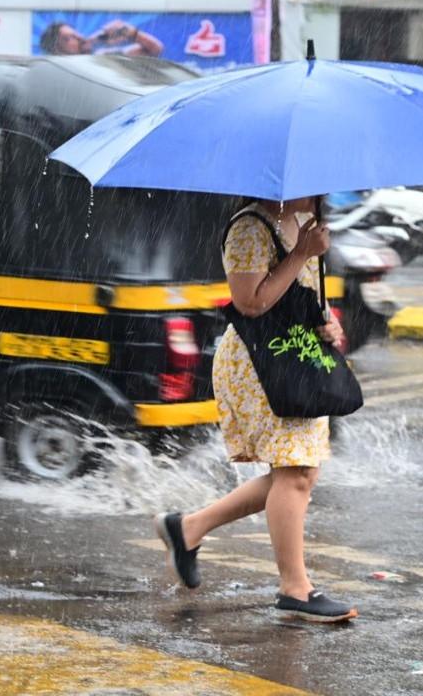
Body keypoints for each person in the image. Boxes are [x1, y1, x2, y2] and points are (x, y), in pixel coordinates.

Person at [154, 197, 357, 623]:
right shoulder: (248, 228)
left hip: (296, 358)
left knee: (299, 471)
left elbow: (299, 298)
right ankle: (295, 588)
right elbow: (249, 303)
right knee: (296, 472)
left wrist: (327, 323)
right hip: (259, 364)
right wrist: (302, 252)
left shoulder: (303, 220)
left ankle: (187, 528)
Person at [38, 19, 163, 57]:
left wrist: (132, 34)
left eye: (76, 33)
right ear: (56, 50)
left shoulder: (102, 57)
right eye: (68, 38)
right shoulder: (60, 73)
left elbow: (155, 49)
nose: (79, 37)